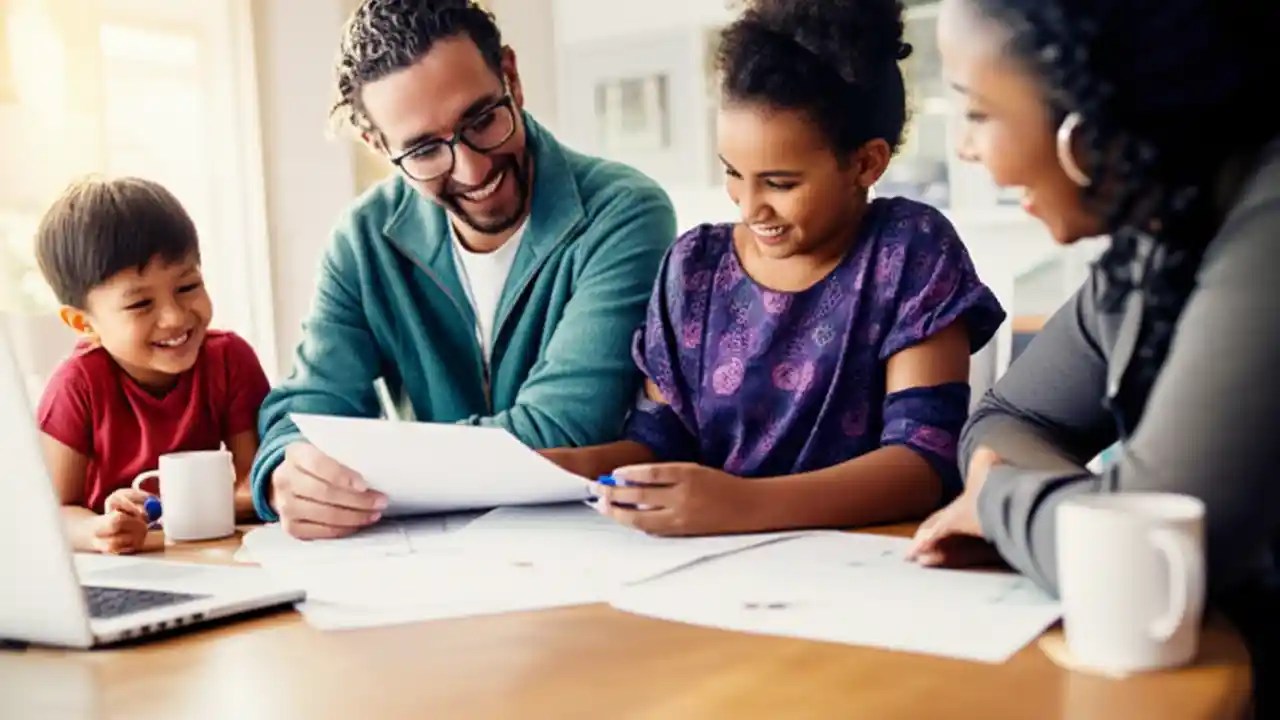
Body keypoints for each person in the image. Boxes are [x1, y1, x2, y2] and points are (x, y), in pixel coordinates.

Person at [905, 0, 1280, 706]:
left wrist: (1004, 503)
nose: (963, 147)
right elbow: (1007, 415)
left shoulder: (1267, 231)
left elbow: (1156, 565)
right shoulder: (1155, 242)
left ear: (1087, 117)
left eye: (978, 112)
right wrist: (1091, 513)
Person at [551, 0, 1005, 536]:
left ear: (866, 163)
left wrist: (741, 506)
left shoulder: (910, 252)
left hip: (868, 565)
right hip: (711, 565)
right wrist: (542, 471)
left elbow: (921, 461)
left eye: (780, 183)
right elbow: (658, 440)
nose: (749, 207)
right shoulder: (694, 267)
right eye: (733, 174)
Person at [251, 0, 676, 539]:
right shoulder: (361, 241)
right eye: (425, 150)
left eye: (482, 119)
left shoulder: (624, 212)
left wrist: (372, 468)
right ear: (378, 146)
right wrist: (288, 472)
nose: (473, 169)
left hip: (593, 543)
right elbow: (306, 410)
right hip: (429, 560)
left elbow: (561, 431)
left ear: (512, 79)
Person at [34, 177, 270, 554]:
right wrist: (98, 530)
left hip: (213, 555)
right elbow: (49, 513)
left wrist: (168, 510)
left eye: (188, 286)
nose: (174, 317)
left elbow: (259, 485)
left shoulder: (229, 360)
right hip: (124, 568)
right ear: (83, 323)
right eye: (140, 305)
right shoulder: (76, 385)